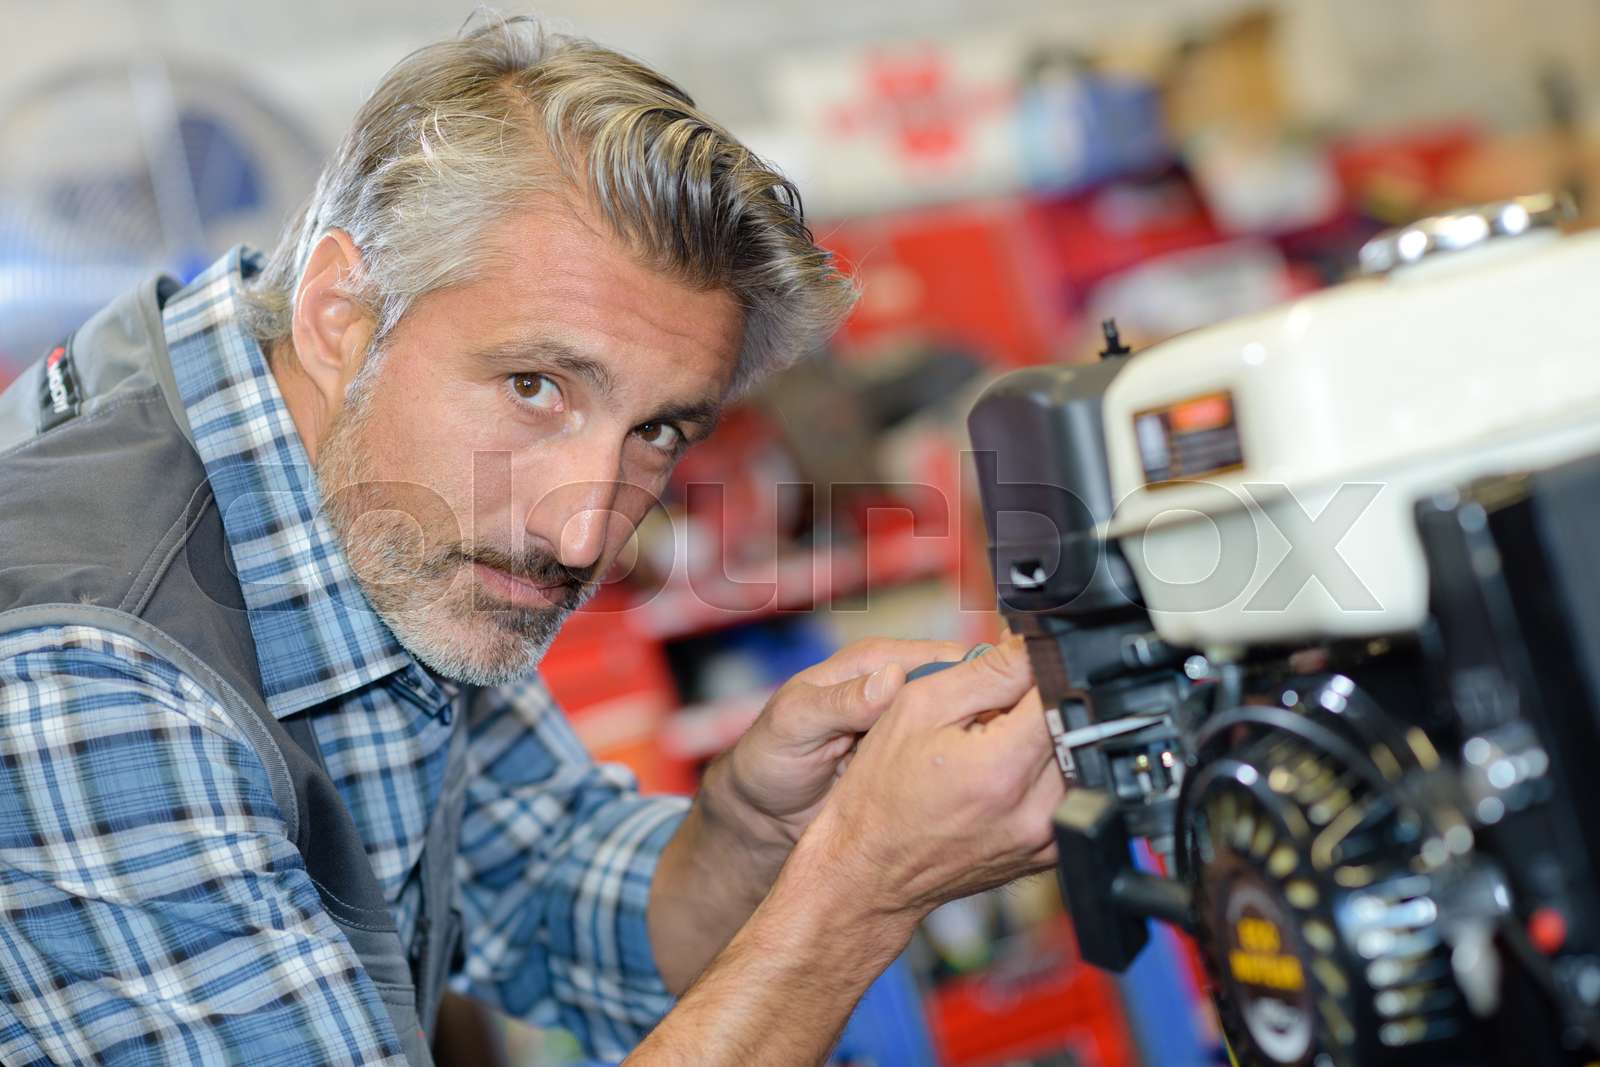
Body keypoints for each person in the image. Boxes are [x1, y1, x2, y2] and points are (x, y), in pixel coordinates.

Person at [0, 16, 1064, 1066]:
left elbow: (547, 885)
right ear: (338, 311)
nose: (582, 527)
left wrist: (748, 827)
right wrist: (858, 888)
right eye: (534, 386)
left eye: (657, 429)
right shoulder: (87, 673)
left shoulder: (367, 495)